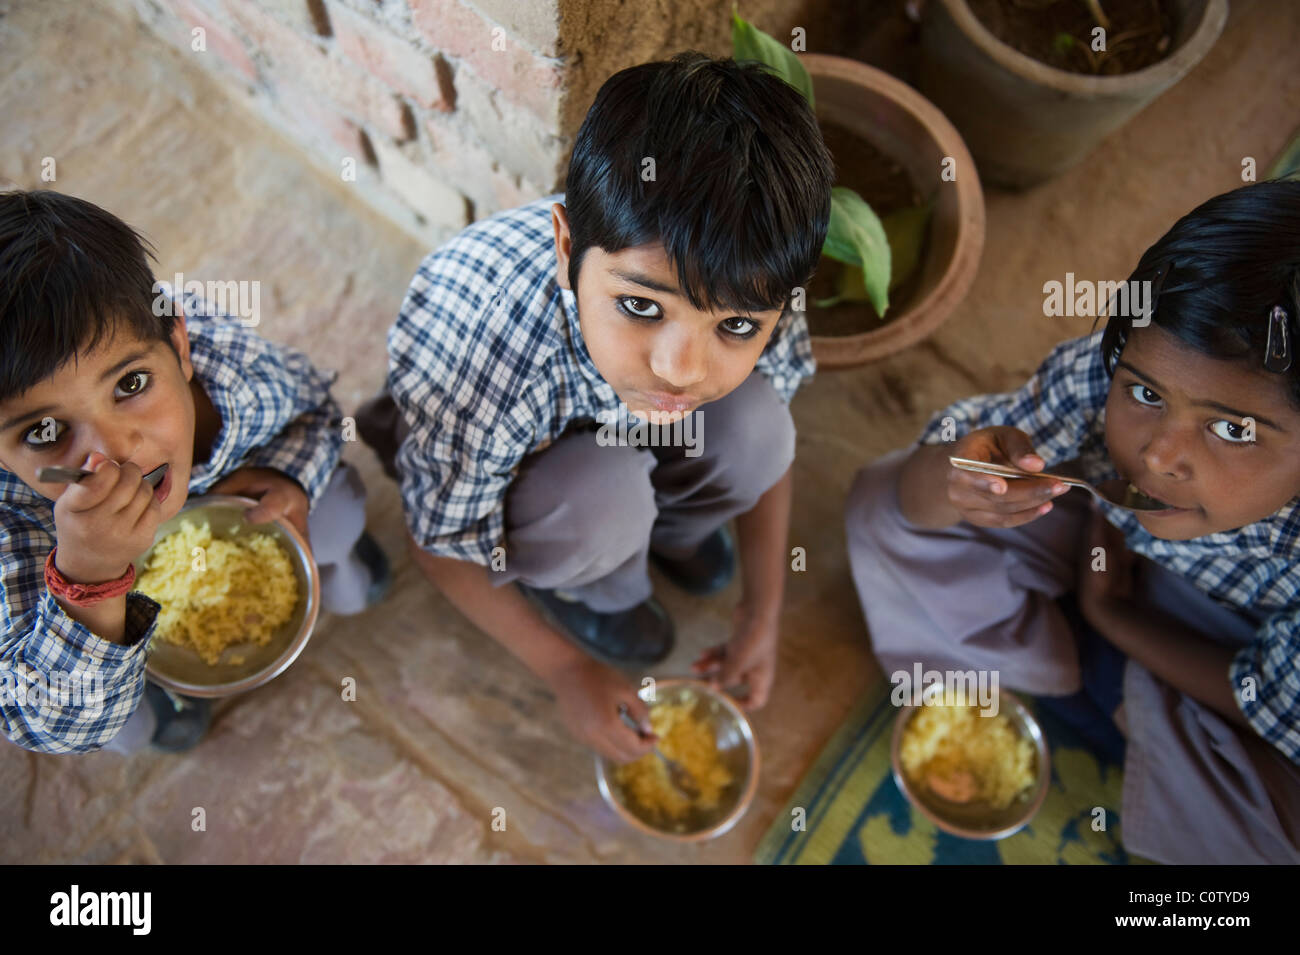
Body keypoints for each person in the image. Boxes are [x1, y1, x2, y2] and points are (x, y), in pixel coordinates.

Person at [357, 52, 834, 762]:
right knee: (601, 503)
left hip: (600, 435)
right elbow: (442, 543)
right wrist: (564, 666)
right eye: (641, 305)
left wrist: (761, 614)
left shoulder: (747, 269)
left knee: (759, 428)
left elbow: (770, 446)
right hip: (545, 478)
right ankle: (604, 587)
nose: (682, 368)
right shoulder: (478, 353)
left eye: (735, 327)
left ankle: (675, 530)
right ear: (566, 246)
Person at [846, 180, 1300, 863]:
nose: (1158, 453)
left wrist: (1113, 613)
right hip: (1108, 543)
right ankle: (1115, 698)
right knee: (888, 503)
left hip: (1246, 658)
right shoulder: (1101, 376)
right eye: (1146, 393)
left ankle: (1100, 671)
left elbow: (1264, 696)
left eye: (1233, 429)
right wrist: (964, 478)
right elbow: (923, 491)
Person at [0, 190, 390, 755]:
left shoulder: (224, 368)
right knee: (120, 731)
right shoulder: (12, 520)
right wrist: (89, 578)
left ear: (179, 346)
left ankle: (348, 566)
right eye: (43, 432)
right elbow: (44, 722)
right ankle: (156, 704)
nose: (115, 454)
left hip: (253, 515)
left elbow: (314, 413)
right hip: (81, 665)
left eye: (130, 385)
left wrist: (287, 477)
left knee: (336, 514)